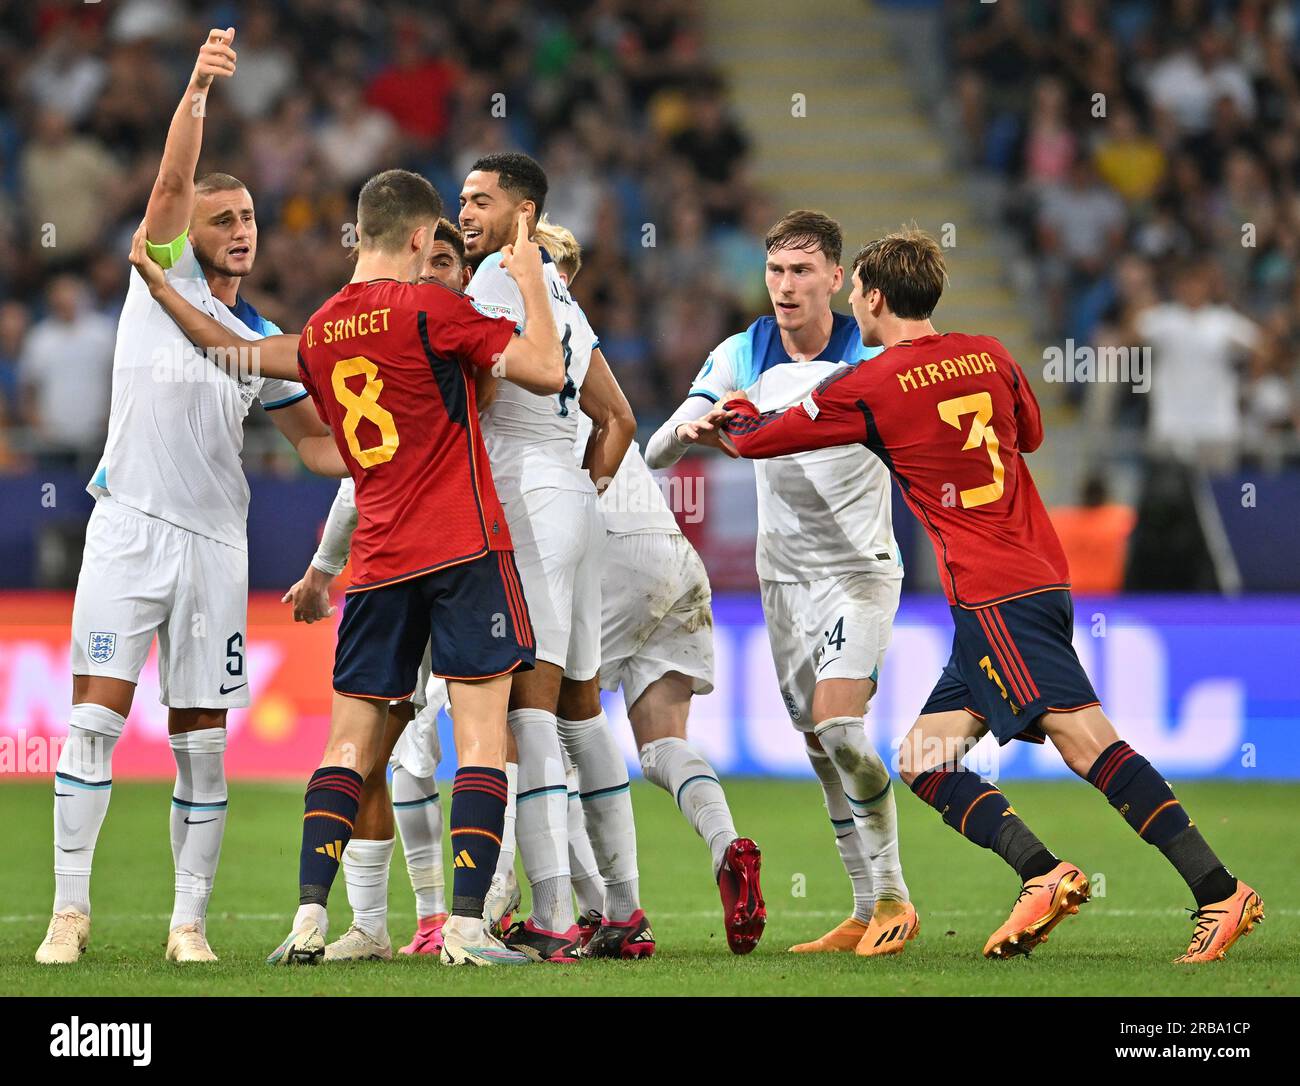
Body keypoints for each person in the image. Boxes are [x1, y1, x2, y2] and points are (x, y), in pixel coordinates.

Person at [708, 228, 1264, 964]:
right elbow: (1029, 436)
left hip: (994, 589)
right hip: (1033, 575)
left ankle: (1219, 890)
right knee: (923, 760)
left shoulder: (865, 385)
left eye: (854, 292)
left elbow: (756, 441)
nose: (848, 303)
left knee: (1083, 739)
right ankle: (1042, 874)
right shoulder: (991, 355)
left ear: (874, 297)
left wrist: (732, 411)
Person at [34, 28, 346, 968]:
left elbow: (321, 448)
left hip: (218, 544)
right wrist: (198, 92)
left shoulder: (264, 338)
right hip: (128, 525)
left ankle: (188, 925)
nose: (241, 229)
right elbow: (170, 186)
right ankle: (70, 914)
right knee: (92, 720)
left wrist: (399, 449)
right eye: (225, 219)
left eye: (249, 216)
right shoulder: (156, 278)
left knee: (203, 745)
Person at [270, 170, 564, 966]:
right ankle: (465, 930)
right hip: (464, 546)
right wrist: (532, 286)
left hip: (376, 560)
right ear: (414, 239)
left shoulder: (320, 331)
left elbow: (346, 450)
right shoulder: (433, 307)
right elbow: (544, 369)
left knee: (347, 746)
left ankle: (306, 920)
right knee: (479, 738)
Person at [646, 210, 917, 958]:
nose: (786, 287)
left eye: (802, 272)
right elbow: (660, 447)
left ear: (838, 278)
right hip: (783, 581)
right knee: (820, 747)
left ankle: (895, 894)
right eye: (775, 272)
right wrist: (695, 427)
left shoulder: (872, 352)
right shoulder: (743, 351)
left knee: (838, 726)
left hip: (858, 572)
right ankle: (864, 909)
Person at [538, 216, 766, 954]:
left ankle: (592, 911)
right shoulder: (583, 344)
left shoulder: (518, 349)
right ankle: (727, 844)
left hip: (599, 558)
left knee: (542, 732)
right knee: (663, 748)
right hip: (668, 556)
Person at [459, 153, 650, 961]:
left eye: (482, 199)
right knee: (581, 710)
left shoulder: (497, 282)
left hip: (529, 502)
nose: (465, 211)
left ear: (524, 208)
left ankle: (554, 917)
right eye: (461, 199)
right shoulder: (559, 290)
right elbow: (620, 417)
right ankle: (626, 912)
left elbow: (486, 399)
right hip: (571, 504)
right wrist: (581, 496)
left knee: (524, 715)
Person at [281, 218, 475, 962]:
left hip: (464, 564)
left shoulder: (466, 337)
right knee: (395, 752)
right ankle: (390, 921)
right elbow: (365, 480)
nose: (436, 271)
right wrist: (324, 570)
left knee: (498, 743)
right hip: (417, 567)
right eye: (429, 258)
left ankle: (509, 908)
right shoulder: (412, 347)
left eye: (450, 262)